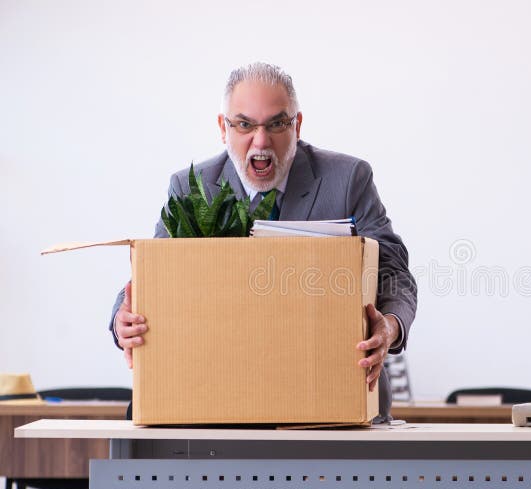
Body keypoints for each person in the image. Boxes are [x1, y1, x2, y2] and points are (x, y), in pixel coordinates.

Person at [109, 62, 417, 420]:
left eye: (276, 124)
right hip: (222, 401)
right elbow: (153, 273)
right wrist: (122, 317)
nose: (261, 141)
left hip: (332, 402)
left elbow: (394, 272)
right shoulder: (192, 187)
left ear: (297, 125)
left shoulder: (348, 179)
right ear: (223, 128)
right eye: (244, 125)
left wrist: (390, 325)